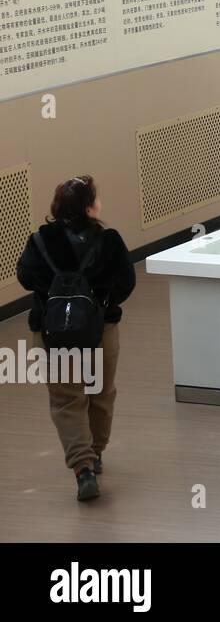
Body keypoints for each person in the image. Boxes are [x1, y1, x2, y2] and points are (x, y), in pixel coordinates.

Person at [15, 176, 135, 502]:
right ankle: (95, 453)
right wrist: (103, 302)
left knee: (67, 400)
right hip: (100, 330)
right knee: (100, 393)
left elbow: (26, 277)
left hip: (53, 333)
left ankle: (82, 469)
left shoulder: (40, 240)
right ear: (89, 207)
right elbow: (126, 281)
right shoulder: (108, 240)